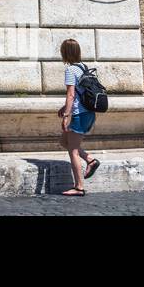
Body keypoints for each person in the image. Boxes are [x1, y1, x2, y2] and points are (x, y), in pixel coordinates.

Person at [58, 38, 100, 196]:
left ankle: (79, 187)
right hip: (88, 112)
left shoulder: (70, 70)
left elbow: (71, 94)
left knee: (73, 151)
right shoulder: (83, 67)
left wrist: (66, 115)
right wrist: (64, 108)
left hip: (78, 114)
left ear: (65, 53)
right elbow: (80, 94)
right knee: (64, 141)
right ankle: (90, 160)